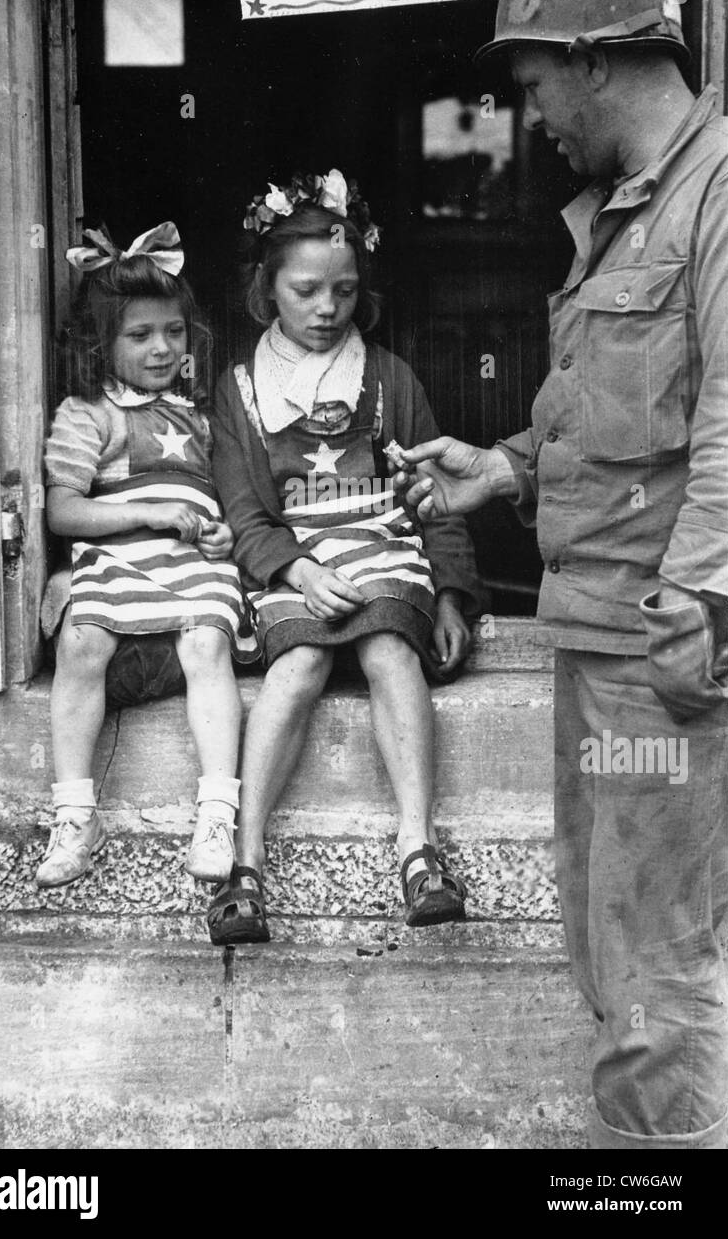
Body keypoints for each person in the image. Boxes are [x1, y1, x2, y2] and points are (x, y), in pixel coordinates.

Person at [401, 0, 728, 1150]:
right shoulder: (624, 213)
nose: (525, 114)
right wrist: (501, 467)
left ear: (595, 59)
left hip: (661, 658)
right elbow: (606, 416)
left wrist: (699, 600)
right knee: (606, 940)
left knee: (652, 964)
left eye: (532, 84)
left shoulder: (720, 196)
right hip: (593, 639)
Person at [206, 171, 483, 944]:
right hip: (295, 559)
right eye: (304, 292)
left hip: (382, 548)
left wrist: (454, 594)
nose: (327, 310)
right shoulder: (240, 392)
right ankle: (246, 865)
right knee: (294, 668)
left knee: (391, 647)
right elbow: (245, 515)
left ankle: (418, 849)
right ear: (266, 291)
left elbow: (434, 496)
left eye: (344, 292)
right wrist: (295, 571)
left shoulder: (388, 377)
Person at [37, 222, 257, 890]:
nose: (162, 348)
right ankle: (75, 813)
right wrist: (146, 513)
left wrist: (223, 537)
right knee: (81, 637)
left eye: (173, 332)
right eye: (139, 335)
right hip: (118, 558)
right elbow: (63, 510)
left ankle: (218, 811)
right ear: (100, 344)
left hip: (192, 565)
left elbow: (229, 498)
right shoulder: (89, 415)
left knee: (206, 639)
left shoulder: (202, 415)